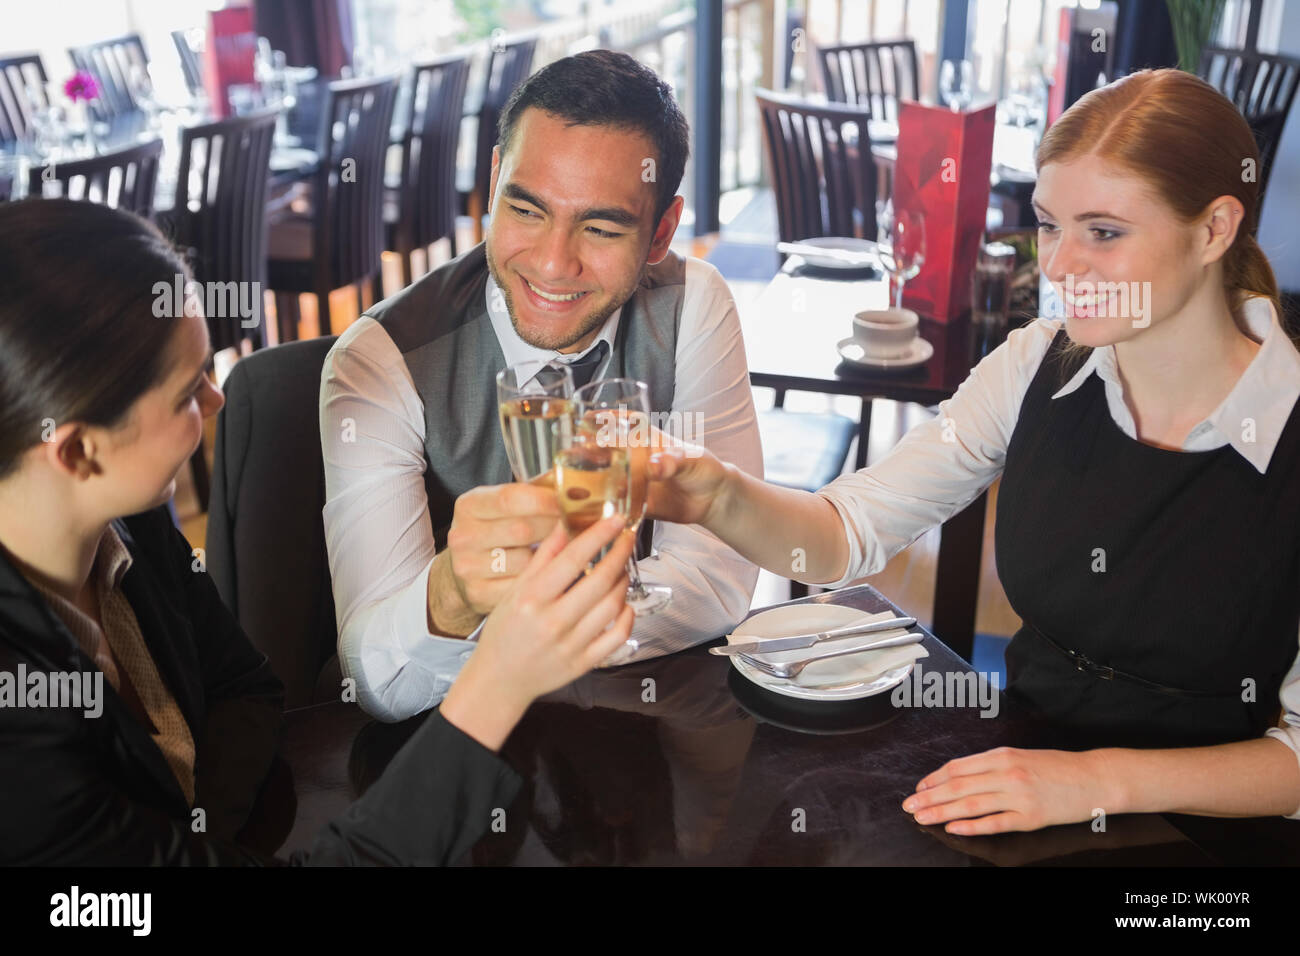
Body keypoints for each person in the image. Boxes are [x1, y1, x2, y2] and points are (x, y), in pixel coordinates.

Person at [646, 68, 1300, 831]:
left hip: (1206, 845)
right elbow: (844, 535)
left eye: (1105, 232)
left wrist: (1093, 783)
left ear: (1216, 229)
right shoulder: (1037, 364)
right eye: (1050, 225)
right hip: (1018, 779)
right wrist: (718, 495)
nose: (1058, 265)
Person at [0, 199, 636, 865]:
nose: (218, 401)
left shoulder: (123, 520)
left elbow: (244, 689)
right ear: (75, 451)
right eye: (188, 392)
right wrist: (500, 678)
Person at [320, 49, 762, 722]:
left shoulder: (692, 306)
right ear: (496, 180)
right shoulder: (381, 360)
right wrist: (449, 596)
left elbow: (718, 580)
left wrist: (529, 637)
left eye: (602, 226)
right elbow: (379, 683)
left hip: (632, 742)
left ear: (660, 233)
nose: (553, 263)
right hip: (444, 769)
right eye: (525, 211)